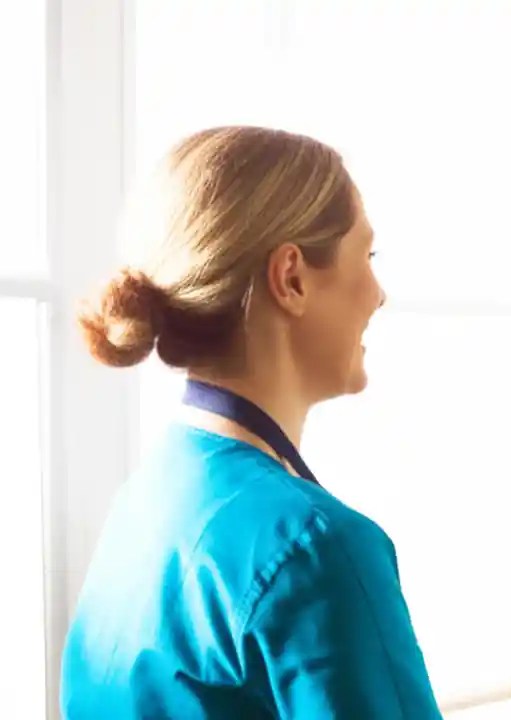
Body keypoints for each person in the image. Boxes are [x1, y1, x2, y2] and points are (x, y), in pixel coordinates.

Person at [62, 126, 443, 719]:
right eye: (367, 257)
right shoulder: (316, 549)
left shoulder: (142, 505)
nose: (379, 294)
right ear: (291, 278)